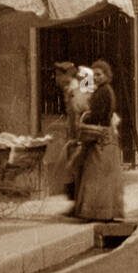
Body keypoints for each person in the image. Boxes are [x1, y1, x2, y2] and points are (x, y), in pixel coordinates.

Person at [73, 59, 125, 221]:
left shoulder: (103, 92)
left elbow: (98, 115)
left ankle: (97, 212)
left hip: (101, 140)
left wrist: (87, 119)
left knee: (97, 177)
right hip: (107, 138)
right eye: (93, 75)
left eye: (99, 74)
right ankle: (106, 212)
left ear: (106, 75)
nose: (96, 78)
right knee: (104, 179)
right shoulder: (104, 90)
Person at [51, 61, 91, 197]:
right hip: (74, 134)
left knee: (75, 168)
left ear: (67, 76)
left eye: (58, 75)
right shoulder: (69, 90)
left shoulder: (75, 92)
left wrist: (75, 137)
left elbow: (80, 114)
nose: (56, 79)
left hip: (79, 136)